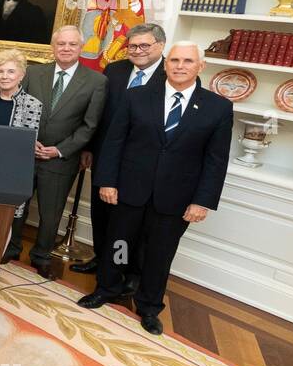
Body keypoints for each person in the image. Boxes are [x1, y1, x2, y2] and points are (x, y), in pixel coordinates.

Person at [77, 42, 233, 335]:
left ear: (201, 66)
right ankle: (108, 288)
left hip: (176, 198)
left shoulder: (218, 107)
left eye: (188, 61)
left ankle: (149, 306)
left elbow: (216, 161)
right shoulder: (136, 97)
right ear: (165, 63)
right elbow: (114, 142)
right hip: (129, 190)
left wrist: (203, 201)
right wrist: (107, 181)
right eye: (174, 60)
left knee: (158, 255)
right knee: (119, 244)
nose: (180, 66)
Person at [72, 22, 167, 278]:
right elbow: (99, 114)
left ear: (160, 45)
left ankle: (125, 271)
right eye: (132, 46)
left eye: (144, 45)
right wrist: (89, 148)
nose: (137, 51)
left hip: (142, 165)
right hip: (106, 156)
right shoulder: (114, 70)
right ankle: (102, 259)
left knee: (130, 223)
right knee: (101, 214)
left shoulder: (172, 76)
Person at [14, 25, 106, 276]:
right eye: (61, 44)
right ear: (53, 47)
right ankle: (11, 248)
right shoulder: (33, 73)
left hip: (61, 159)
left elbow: (90, 125)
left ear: (81, 47)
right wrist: (27, 140)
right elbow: (19, 108)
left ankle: (41, 256)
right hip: (25, 153)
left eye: (72, 44)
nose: (66, 48)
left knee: (50, 213)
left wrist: (59, 150)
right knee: (16, 206)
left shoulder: (97, 81)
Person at [0, 48, 43, 258]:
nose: (5, 76)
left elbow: (25, 142)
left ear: (21, 75)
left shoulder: (32, 104)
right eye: (0, 71)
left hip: (10, 170)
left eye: (11, 72)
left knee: (5, 216)